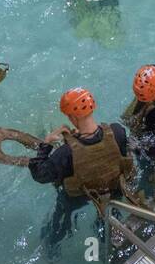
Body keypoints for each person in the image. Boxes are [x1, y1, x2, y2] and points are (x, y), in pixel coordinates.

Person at [28, 87, 133, 254]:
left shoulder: (65, 153)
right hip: (112, 191)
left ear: (71, 117)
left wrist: (46, 145)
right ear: (93, 107)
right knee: (109, 214)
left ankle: (51, 248)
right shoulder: (117, 132)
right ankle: (113, 238)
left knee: (61, 219)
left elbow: (39, 174)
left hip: (77, 197)